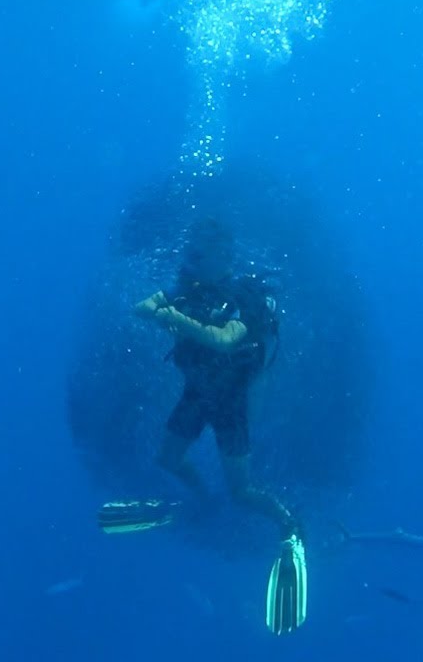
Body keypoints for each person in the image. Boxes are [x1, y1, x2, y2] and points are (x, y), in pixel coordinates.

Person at [96, 218, 308, 636]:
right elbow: (142, 307)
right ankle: (203, 500)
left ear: (223, 256)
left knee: (242, 490)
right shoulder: (188, 285)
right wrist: (166, 307)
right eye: (187, 254)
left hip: (229, 402)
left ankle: (290, 528)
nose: (186, 261)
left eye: (196, 255)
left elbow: (227, 340)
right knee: (168, 458)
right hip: (196, 392)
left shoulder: (246, 294)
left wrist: (172, 316)